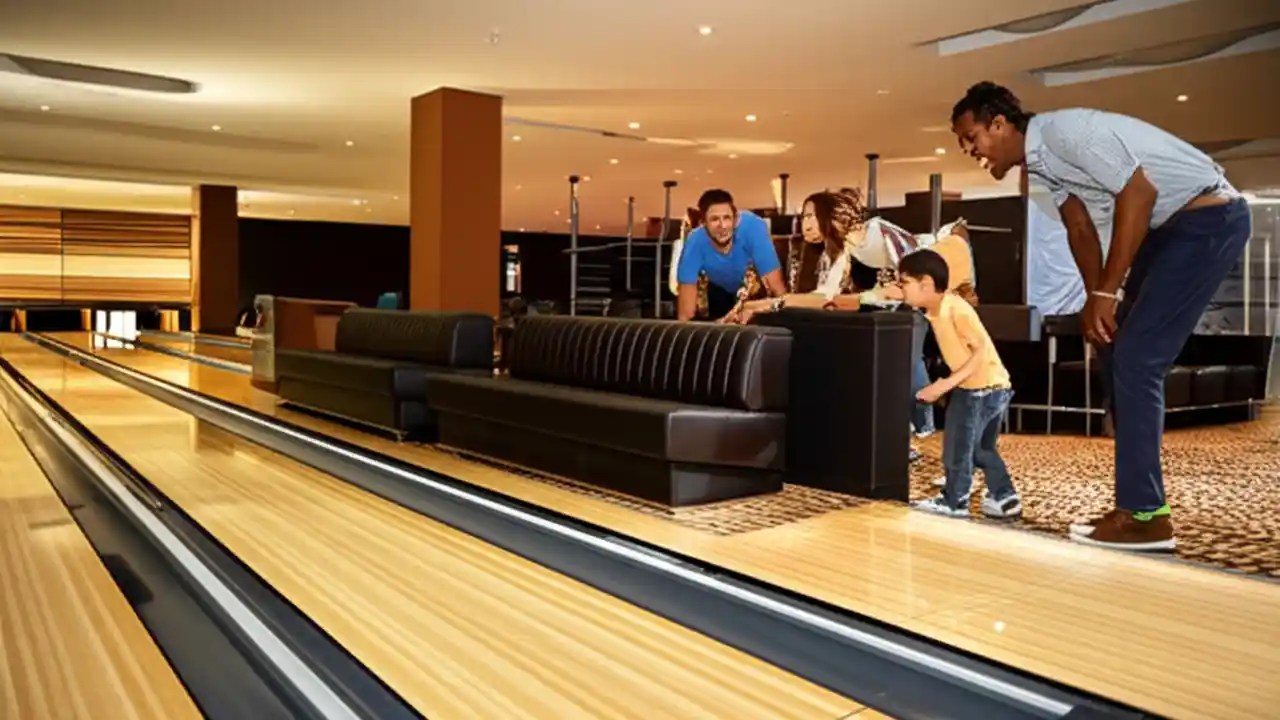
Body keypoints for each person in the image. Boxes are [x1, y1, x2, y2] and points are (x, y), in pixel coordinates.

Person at [950, 81, 1251, 550]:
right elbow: (1080, 226)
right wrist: (1096, 298)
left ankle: (1147, 516)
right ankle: (1133, 503)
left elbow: (1139, 193)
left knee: (1137, 359)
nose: (970, 150)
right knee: (1114, 347)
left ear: (1000, 123)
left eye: (971, 138)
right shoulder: (1043, 166)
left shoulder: (1067, 132)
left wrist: (1108, 293)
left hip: (1207, 220)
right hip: (1170, 231)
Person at [898, 250, 1022, 520]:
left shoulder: (956, 309)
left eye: (904, 282)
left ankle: (955, 501)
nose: (901, 289)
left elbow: (979, 353)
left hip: (980, 389)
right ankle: (1004, 496)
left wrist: (943, 386)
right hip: (989, 386)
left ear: (926, 284)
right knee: (980, 448)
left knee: (958, 446)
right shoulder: (936, 309)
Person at [675, 189, 785, 321]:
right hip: (719, 291)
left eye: (727, 218)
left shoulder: (753, 228)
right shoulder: (694, 242)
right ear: (703, 223)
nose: (722, 226)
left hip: (756, 290)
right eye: (715, 219)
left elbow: (777, 290)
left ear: (736, 219)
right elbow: (685, 314)